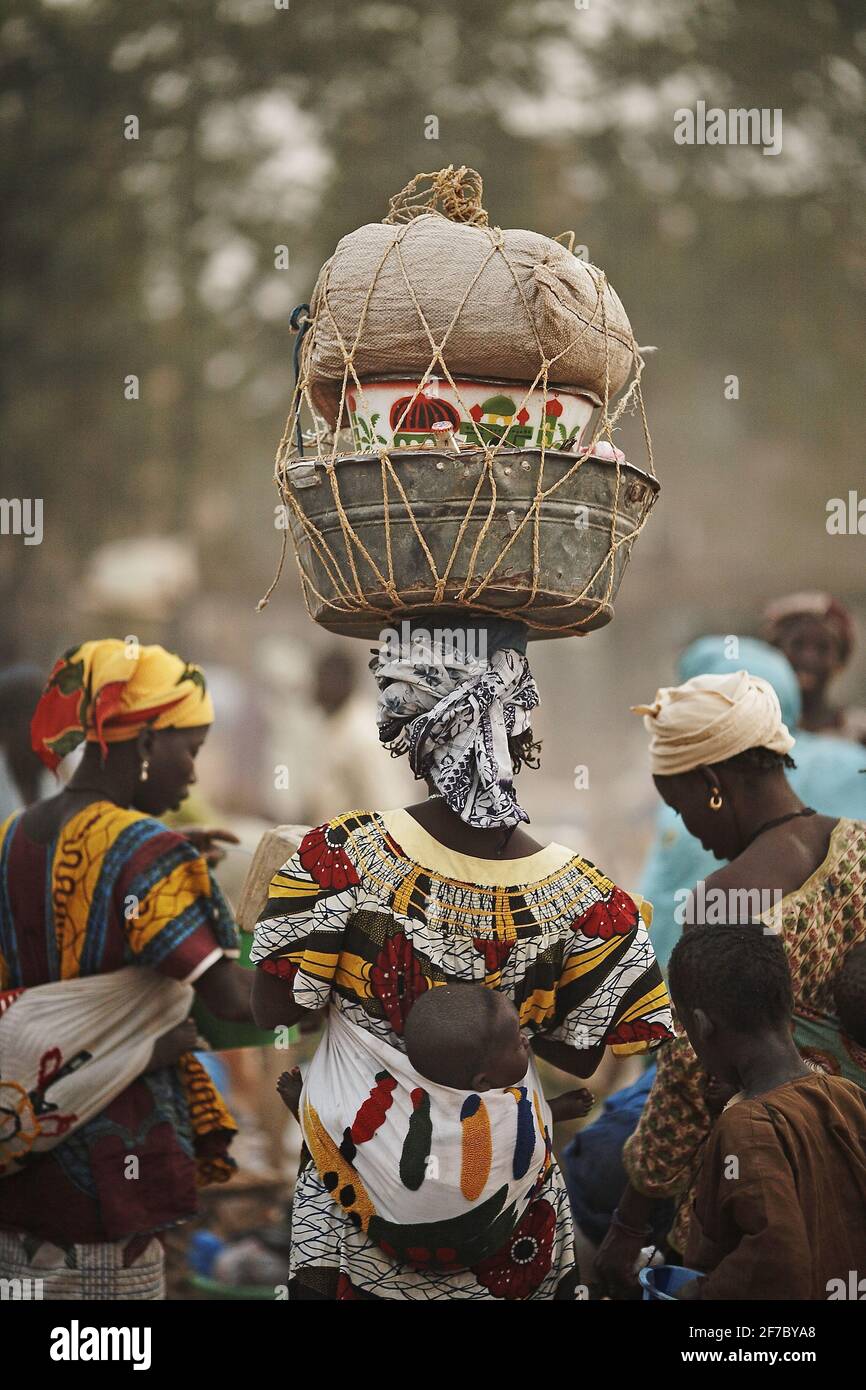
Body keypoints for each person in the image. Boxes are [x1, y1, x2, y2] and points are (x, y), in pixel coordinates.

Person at [252, 617, 672, 1301]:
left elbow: (278, 1011)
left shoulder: (336, 861)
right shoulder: (593, 901)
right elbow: (584, 1059)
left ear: (411, 731)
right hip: (511, 1226)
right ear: (519, 721)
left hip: (351, 1214)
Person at [595, 668, 866, 1296]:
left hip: (776, 1179)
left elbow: (687, 1084)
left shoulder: (723, 902)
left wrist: (629, 1227)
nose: (688, 829)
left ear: (713, 786)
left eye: (681, 806)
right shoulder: (859, 846)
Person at [0, 639, 253, 1299]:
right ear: (144, 742)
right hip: (113, 1174)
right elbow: (231, 1000)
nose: (194, 776)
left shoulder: (10, 837)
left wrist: (170, 860)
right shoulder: (146, 848)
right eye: (190, 749)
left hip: (21, 1173)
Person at [668, 925, 866, 1300]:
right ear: (788, 1004)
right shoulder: (848, 1096)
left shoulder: (747, 1128)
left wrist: (698, 1293)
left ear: (701, 1024)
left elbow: (776, 1259)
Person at [277, 984, 596, 1124]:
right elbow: (521, 1126)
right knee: (346, 1139)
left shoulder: (488, 1084)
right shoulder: (484, 1112)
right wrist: (559, 1108)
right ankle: (306, 1111)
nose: (527, 1041)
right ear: (482, 1081)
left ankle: (307, 1109)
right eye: (517, 1044)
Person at [763, 591, 866, 745]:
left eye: (822, 648)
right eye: (797, 645)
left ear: (840, 662)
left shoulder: (858, 734)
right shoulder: (758, 729)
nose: (808, 658)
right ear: (775, 652)